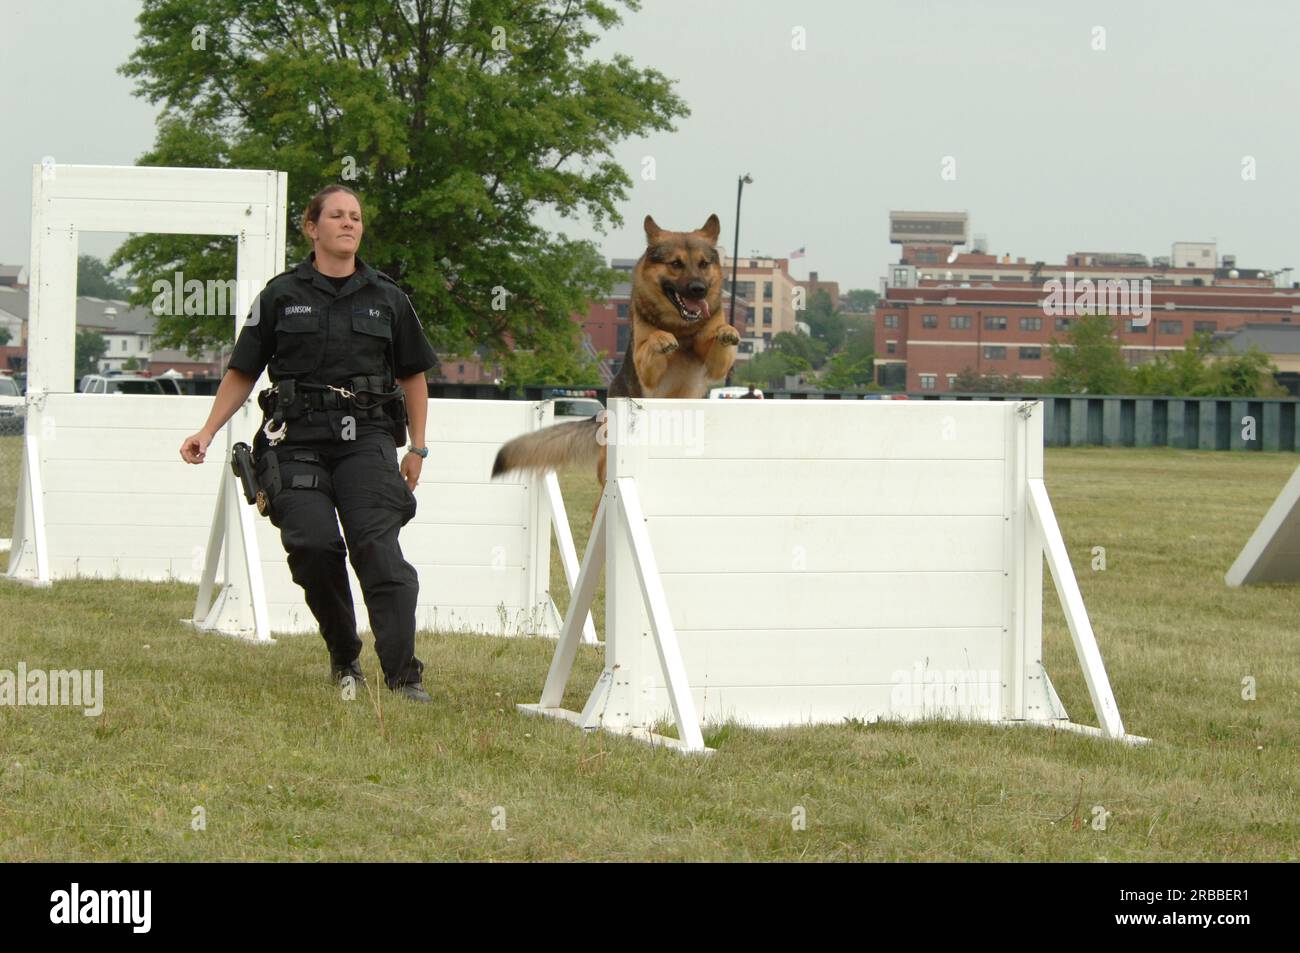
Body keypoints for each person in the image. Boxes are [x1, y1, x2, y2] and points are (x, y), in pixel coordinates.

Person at [179, 184, 438, 703]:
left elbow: (413, 376)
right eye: (337, 216)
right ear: (311, 226)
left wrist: (418, 448)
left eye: (356, 217)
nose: (349, 224)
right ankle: (345, 657)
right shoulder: (280, 296)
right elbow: (243, 371)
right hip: (295, 439)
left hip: (366, 439)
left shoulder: (388, 297)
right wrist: (207, 430)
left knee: (378, 549)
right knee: (313, 545)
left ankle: (403, 676)